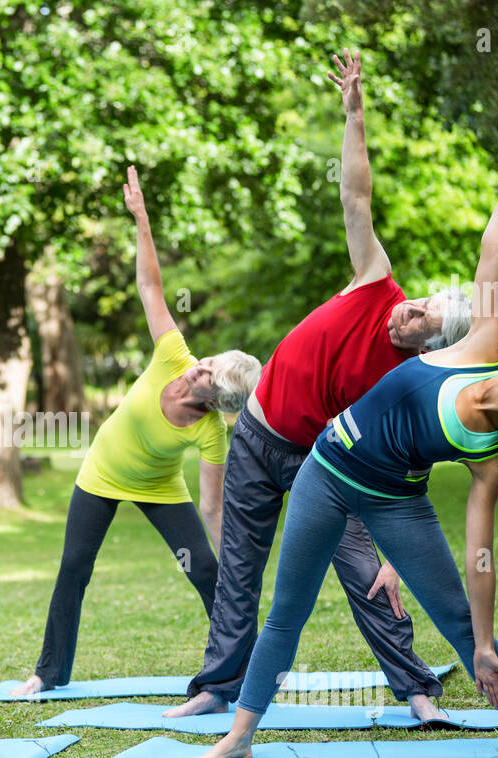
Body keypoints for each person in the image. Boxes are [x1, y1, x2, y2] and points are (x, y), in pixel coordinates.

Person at [191, 99, 498, 758]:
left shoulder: (489, 459)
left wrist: (486, 640)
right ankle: (237, 737)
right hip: (325, 468)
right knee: (285, 613)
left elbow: (480, 558)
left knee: (462, 623)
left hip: (395, 500)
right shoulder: (485, 342)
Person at [166, 49, 473, 720]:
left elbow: (402, 475)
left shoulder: (408, 380)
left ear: (433, 343)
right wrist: (354, 113)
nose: (410, 310)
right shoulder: (375, 281)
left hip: (324, 465)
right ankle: (218, 689)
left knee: (364, 572)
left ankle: (417, 689)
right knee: (239, 571)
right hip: (256, 433)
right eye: (419, 301)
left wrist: (396, 548)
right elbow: (355, 194)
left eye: (424, 319)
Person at [8, 165, 261, 697]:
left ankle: (242, 667)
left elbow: (213, 508)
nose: (199, 367)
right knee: (74, 569)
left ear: (219, 398)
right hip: (101, 472)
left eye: (209, 375)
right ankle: (47, 674)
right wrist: (141, 219)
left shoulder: (212, 431)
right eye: (207, 361)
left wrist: (230, 561)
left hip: (159, 488)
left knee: (207, 575)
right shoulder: (173, 354)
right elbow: (150, 286)